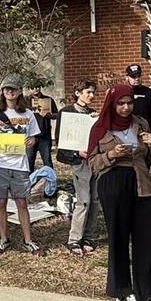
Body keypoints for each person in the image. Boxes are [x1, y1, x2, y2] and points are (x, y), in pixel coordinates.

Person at [88, 84, 151, 301]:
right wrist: (111, 155)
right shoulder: (100, 128)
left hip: (141, 184)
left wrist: (150, 145)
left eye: (129, 103)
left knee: (147, 237)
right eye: (121, 103)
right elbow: (92, 163)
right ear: (112, 104)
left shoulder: (142, 123)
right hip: (114, 184)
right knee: (119, 236)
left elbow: (150, 157)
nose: (126, 108)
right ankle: (123, 290)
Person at [0, 75, 42, 255]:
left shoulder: (28, 114)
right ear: (2, 92)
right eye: (6, 89)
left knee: (21, 202)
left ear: (19, 92)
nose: (9, 92)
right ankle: (3, 239)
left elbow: (33, 137)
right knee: (0, 202)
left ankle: (28, 240)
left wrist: (31, 141)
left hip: (20, 165)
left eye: (13, 89)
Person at [56, 79, 99, 255]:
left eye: (93, 92)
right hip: (79, 162)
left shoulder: (93, 114)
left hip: (95, 160)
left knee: (95, 200)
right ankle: (74, 239)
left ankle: (89, 236)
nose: (91, 96)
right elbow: (62, 139)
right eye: (88, 92)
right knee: (84, 200)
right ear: (77, 93)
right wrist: (76, 153)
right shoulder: (66, 112)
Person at [124, 64, 151, 132]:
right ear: (127, 77)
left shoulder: (150, 93)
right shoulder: (122, 93)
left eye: (138, 76)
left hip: (146, 132)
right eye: (133, 76)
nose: (137, 79)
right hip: (127, 132)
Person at [27, 82, 56, 170]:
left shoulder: (48, 100)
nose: (36, 89)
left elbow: (57, 115)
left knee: (47, 161)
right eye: (33, 87)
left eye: (37, 87)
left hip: (44, 136)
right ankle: (29, 182)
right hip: (30, 136)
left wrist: (48, 115)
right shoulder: (25, 101)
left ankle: (50, 181)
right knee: (29, 161)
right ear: (29, 89)